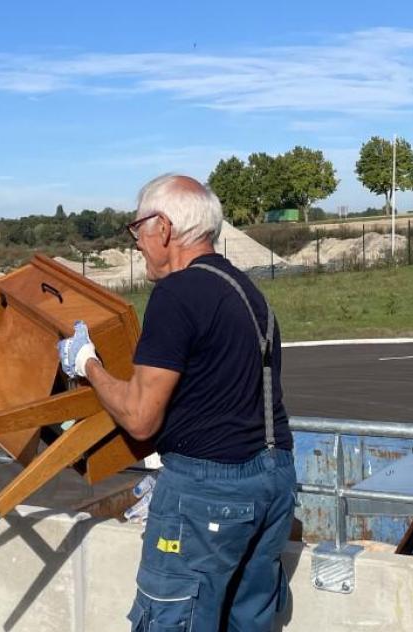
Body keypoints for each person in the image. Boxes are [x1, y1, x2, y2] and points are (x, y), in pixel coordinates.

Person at [58, 174, 295, 631]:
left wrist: (86, 363)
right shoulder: (246, 291)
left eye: (138, 230)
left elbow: (140, 418)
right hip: (273, 482)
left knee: (172, 618)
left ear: (163, 228)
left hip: (207, 493)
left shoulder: (176, 294)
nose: (139, 243)